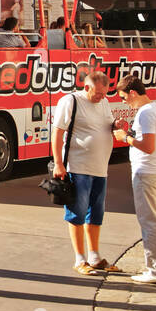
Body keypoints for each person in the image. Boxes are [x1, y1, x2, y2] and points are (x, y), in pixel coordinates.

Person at [51, 72, 118, 275]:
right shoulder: (70, 101)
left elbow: (108, 123)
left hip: (100, 168)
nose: (101, 97)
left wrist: (117, 126)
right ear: (86, 87)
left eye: (105, 94)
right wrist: (58, 164)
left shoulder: (104, 103)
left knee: (96, 213)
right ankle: (80, 259)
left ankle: (94, 256)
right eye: (98, 93)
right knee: (77, 213)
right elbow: (58, 132)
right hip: (78, 167)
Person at [114, 75, 156, 285]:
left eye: (124, 98)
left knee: (150, 222)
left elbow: (148, 146)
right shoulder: (154, 108)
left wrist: (126, 138)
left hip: (146, 171)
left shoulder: (144, 114)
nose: (123, 102)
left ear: (132, 93)